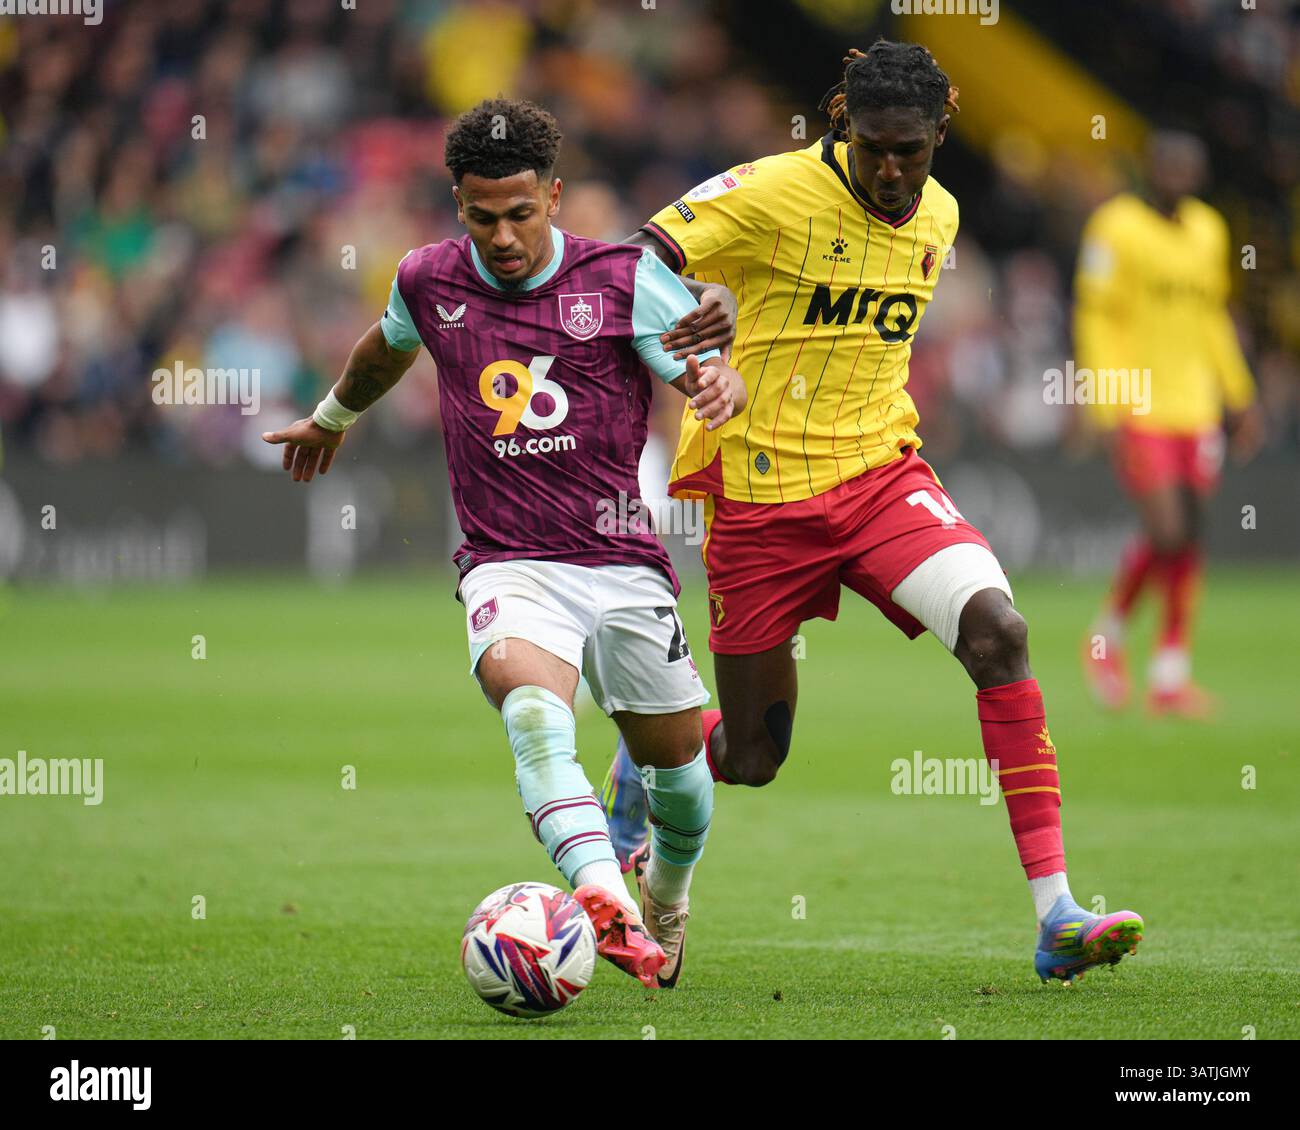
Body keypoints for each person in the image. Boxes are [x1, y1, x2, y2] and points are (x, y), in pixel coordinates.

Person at [604, 40, 1143, 984]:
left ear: (942, 134)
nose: (893, 172)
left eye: (913, 151)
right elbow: (633, 259)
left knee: (1000, 634)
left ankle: (1056, 913)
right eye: (875, 149)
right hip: (760, 499)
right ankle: (649, 756)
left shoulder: (943, 211)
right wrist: (695, 329)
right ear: (843, 125)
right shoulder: (770, 188)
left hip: (881, 477)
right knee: (756, 755)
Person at [262, 98, 747, 991]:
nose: (504, 236)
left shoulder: (624, 278)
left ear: (554, 197)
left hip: (623, 562)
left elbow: (714, 365)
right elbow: (384, 347)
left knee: (680, 777)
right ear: (458, 205)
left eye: (521, 214)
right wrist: (331, 417)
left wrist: (719, 386)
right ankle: (606, 900)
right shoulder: (427, 280)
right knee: (532, 713)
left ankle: (665, 898)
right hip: (509, 562)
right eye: (483, 217)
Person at [1075, 130, 1261, 718]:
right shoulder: (1114, 226)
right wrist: (1104, 400)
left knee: (1188, 539)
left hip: (1197, 406)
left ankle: (1169, 674)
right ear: (1148, 170)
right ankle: (1105, 638)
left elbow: (1211, 319)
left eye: (1188, 169)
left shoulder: (1209, 229)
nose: (1177, 177)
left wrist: (1239, 394)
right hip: (1139, 404)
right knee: (1166, 532)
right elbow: (1095, 318)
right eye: (1168, 167)